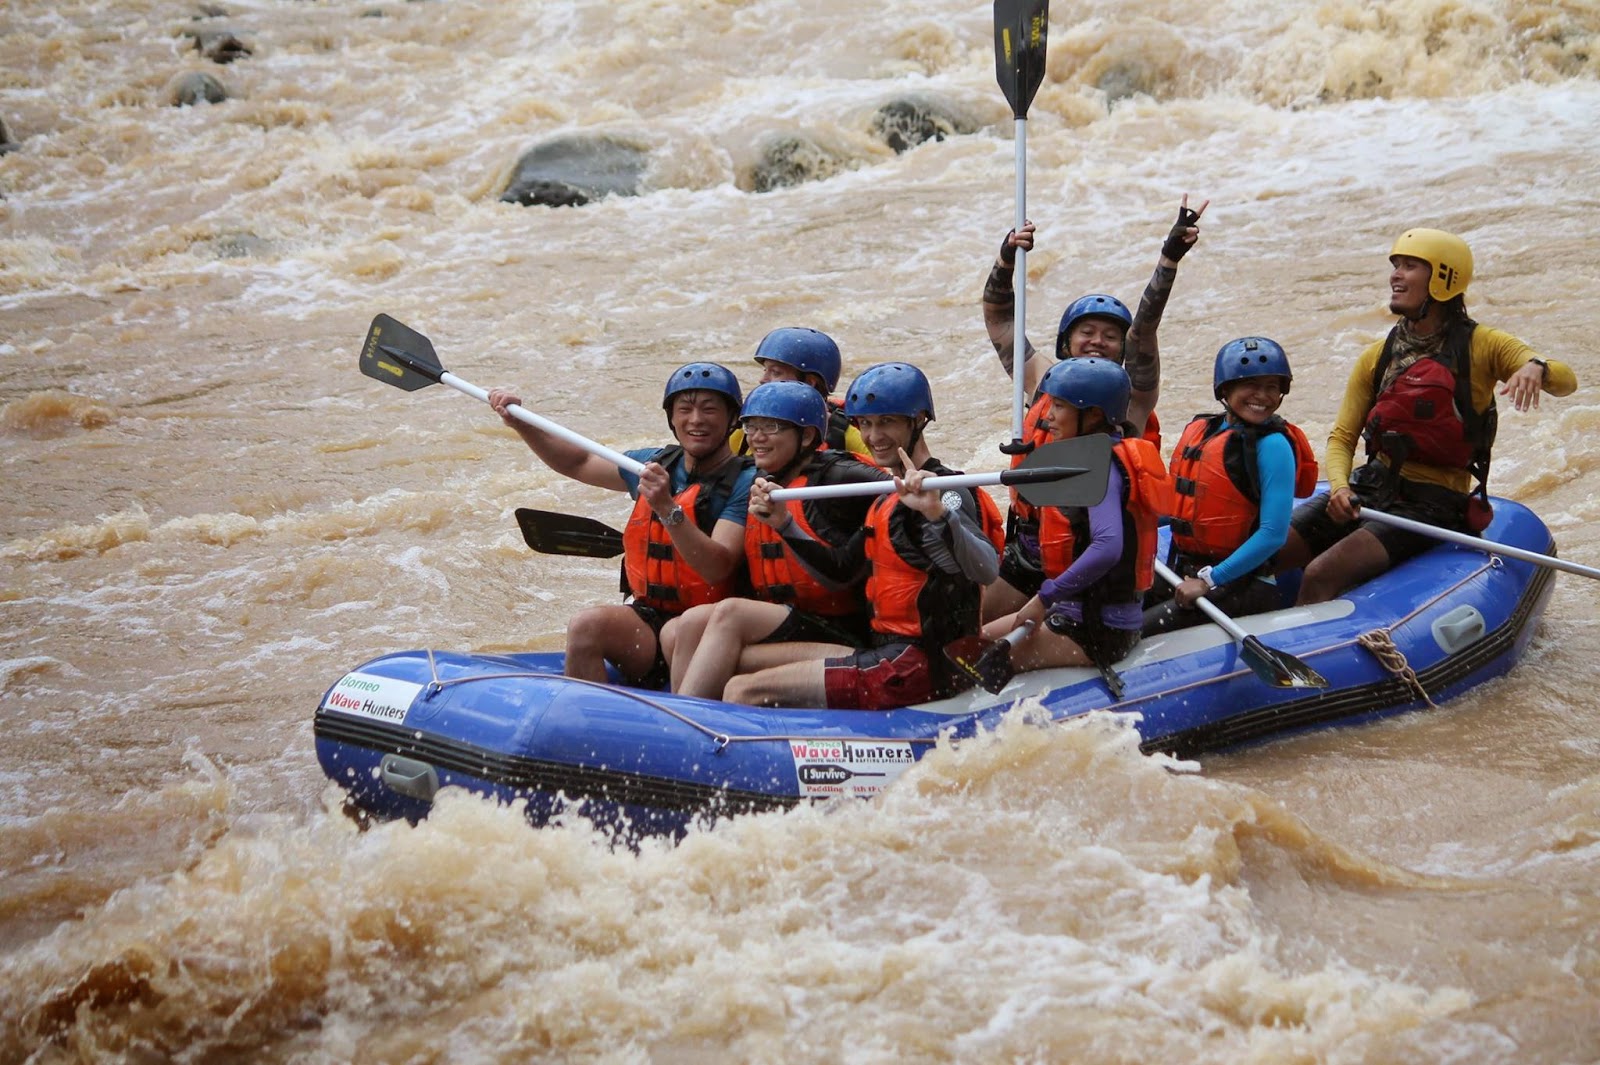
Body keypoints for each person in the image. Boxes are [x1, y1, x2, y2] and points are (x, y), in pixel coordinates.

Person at [1276, 228, 1578, 604]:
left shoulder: (1484, 345)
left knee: (1321, 573)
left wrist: (1537, 367)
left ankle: (1298, 642)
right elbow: (1342, 437)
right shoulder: (1377, 356)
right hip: (1371, 487)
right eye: (1396, 265)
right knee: (1268, 553)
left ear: (1443, 278)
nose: (1396, 275)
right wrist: (1339, 488)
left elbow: (1567, 382)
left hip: (1434, 505)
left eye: (1410, 266)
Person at [720, 362, 1006, 710]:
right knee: (737, 662)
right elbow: (840, 573)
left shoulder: (947, 490)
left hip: (919, 663)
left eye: (886, 422)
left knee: (741, 690)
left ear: (918, 420)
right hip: (886, 654)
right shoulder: (887, 494)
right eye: (865, 424)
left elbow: (985, 570)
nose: (873, 436)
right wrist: (784, 524)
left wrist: (938, 515)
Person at [979, 195, 1207, 621]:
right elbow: (999, 318)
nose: (1098, 341)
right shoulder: (1042, 378)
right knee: (969, 630)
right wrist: (1007, 258)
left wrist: (1169, 260)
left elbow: (1145, 332)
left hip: (1087, 558)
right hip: (1030, 546)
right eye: (1087, 331)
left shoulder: (1131, 397)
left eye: (1110, 336)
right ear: (1067, 342)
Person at [486, 363, 755, 686]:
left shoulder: (747, 481)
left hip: (712, 628)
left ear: (732, 418)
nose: (696, 420)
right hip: (650, 620)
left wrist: (666, 508)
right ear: (672, 418)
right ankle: (584, 712)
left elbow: (717, 568)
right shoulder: (653, 464)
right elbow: (579, 462)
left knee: (679, 632)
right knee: (586, 626)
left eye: (709, 409)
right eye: (685, 409)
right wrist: (520, 423)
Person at [663, 381, 890, 699]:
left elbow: (896, 486)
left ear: (806, 436)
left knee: (731, 615)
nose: (756, 438)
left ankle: (688, 712)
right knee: (688, 624)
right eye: (751, 427)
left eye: (770, 427)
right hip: (795, 623)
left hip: (846, 637)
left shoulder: (838, 477)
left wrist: (924, 486)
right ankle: (685, 710)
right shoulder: (763, 480)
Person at [979, 358, 1167, 685]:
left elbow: (1108, 547)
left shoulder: (1104, 469)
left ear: (1093, 415)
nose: (1048, 416)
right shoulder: (1091, 457)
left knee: (975, 659)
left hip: (1098, 628)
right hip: (1072, 612)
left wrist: (1044, 598)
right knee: (974, 640)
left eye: (1060, 406)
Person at [1142, 337, 1318, 634]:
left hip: (1242, 583)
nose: (1262, 396)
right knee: (1112, 614)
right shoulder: (1203, 430)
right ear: (1225, 389)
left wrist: (1210, 580)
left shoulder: (1273, 445)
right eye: (1251, 385)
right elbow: (1179, 504)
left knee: (1138, 630)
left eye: (1272, 387)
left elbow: (1273, 535)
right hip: (1184, 570)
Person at [729, 327, 870, 456]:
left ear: (809, 383)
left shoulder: (843, 435)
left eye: (776, 372)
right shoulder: (747, 429)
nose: (762, 380)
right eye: (765, 370)